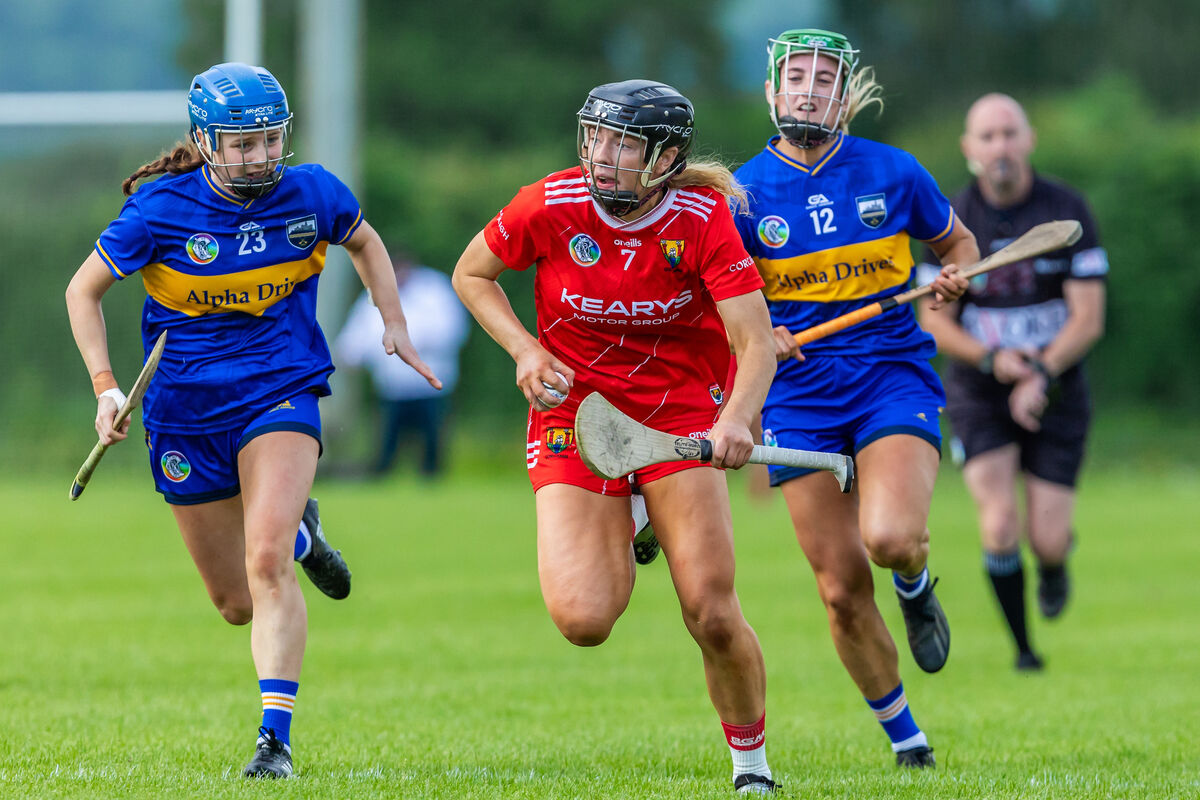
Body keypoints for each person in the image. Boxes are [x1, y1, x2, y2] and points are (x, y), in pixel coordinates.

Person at [64, 62, 440, 778]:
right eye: (242, 143)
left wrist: (393, 322)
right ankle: (305, 533)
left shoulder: (313, 193)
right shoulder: (159, 211)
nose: (260, 155)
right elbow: (82, 292)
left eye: (269, 139)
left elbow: (364, 240)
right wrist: (108, 388)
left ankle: (275, 743)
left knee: (262, 562)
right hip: (182, 412)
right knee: (236, 603)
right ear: (206, 142)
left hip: (280, 389)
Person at [452, 79, 780, 795]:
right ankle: (636, 515)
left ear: (665, 158)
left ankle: (752, 768)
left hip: (678, 416)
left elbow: (755, 345)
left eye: (624, 144)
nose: (603, 157)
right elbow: (471, 273)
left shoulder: (702, 220)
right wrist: (525, 351)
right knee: (584, 619)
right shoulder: (549, 203)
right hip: (575, 415)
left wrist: (736, 420)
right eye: (596, 137)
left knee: (711, 610)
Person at [732, 29, 976, 768]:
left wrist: (952, 286)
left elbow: (958, 248)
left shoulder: (895, 173)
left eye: (824, 79)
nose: (808, 89)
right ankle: (909, 741)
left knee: (892, 538)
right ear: (774, 93)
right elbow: (726, 308)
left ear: (846, 97)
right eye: (795, 77)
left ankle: (915, 581)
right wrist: (763, 332)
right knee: (839, 587)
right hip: (799, 398)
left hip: (888, 374)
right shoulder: (741, 195)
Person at [917, 93, 1107, 671]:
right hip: (978, 390)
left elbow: (1089, 318)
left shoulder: (1066, 209)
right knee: (999, 524)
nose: (1000, 146)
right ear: (969, 149)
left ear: (1028, 140)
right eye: (988, 136)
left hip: (1058, 389)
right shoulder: (948, 219)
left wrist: (1041, 371)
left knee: (1047, 539)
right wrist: (994, 361)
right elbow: (935, 322)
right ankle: (1025, 651)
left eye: (1009, 133)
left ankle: (1054, 564)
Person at [335, 253, 468, 477]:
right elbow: (355, 339)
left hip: (431, 387)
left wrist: (409, 342)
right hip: (392, 388)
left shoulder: (435, 290)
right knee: (386, 447)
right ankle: (382, 481)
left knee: (432, 446)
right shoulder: (374, 294)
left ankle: (431, 481)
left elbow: (452, 329)